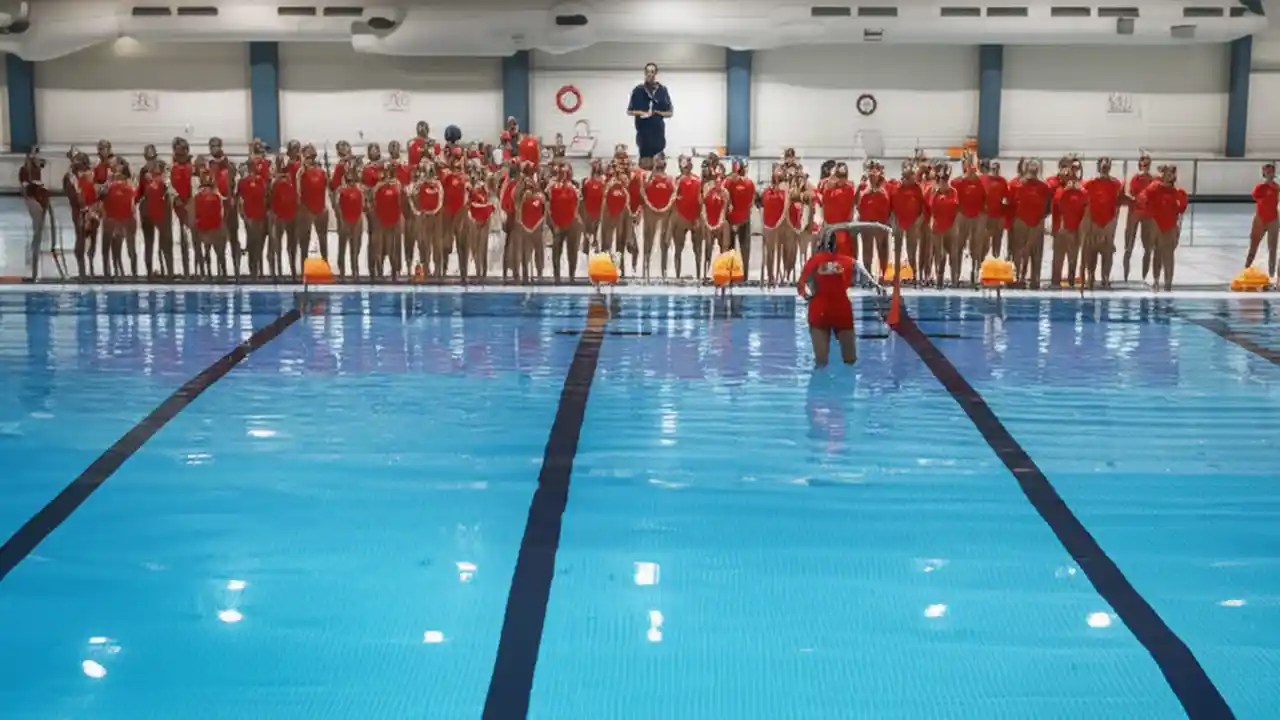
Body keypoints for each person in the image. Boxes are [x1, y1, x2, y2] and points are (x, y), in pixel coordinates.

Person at [798, 231, 857, 368]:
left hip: (820, 310)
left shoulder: (813, 261)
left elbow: (801, 287)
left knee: (821, 363)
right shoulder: (847, 262)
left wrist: (810, 295)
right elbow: (848, 282)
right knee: (850, 362)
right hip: (842, 310)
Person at [627, 62, 673, 170]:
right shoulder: (638, 90)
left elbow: (670, 112)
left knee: (659, 166)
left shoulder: (662, 90)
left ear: (656, 73)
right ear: (644, 73)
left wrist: (657, 113)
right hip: (643, 134)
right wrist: (642, 113)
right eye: (647, 72)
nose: (649, 74)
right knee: (645, 166)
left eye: (652, 72)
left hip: (658, 133)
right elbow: (629, 111)